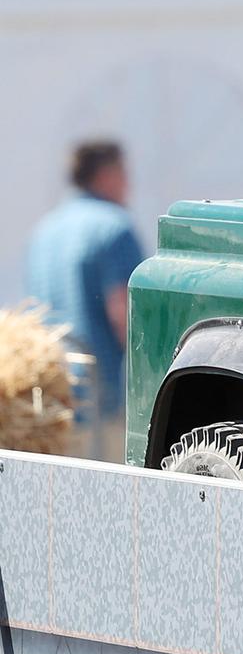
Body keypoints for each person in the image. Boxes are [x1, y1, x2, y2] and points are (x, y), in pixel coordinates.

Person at [24, 141, 146, 446]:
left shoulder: (44, 229)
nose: (129, 184)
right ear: (107, 175)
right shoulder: (115, 227)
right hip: (100, 400)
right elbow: (125, 314)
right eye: (124, 174)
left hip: (49, 398)